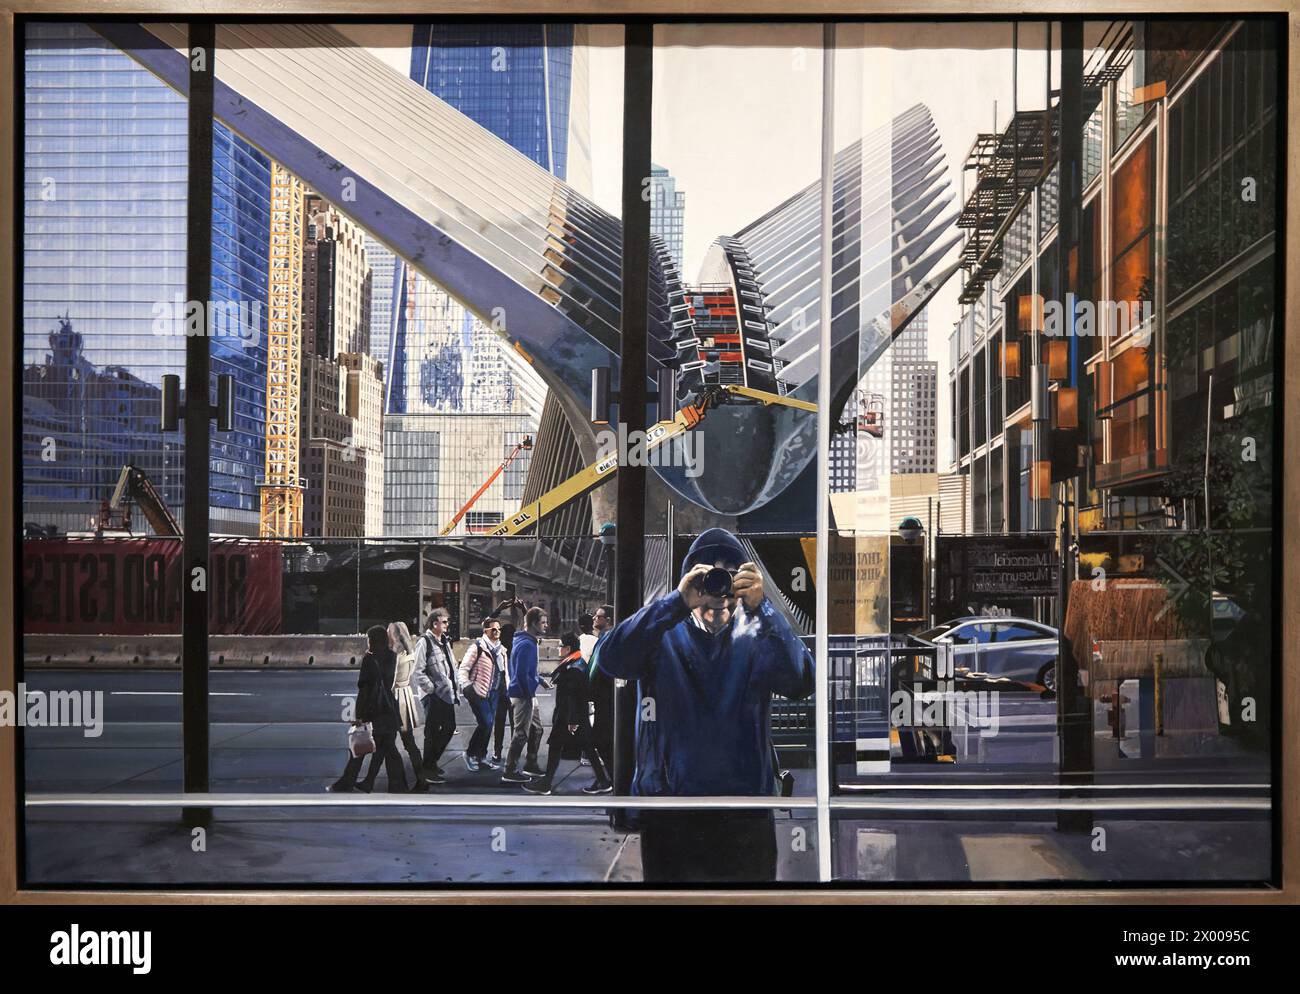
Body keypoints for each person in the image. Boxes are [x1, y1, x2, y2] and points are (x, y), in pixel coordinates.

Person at [597, 528, 814, 883]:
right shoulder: (662, 633)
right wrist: (676, 602)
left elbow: (801, 681)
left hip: (744, 812)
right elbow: (611, 660)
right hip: (673, 812)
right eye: (708, 576)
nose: (718, 589)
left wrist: (765, 610)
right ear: (689, 580)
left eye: (729, 576)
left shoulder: (758, 636)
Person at [523, 631, 612, 796]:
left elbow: (573, 696)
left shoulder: (573, 668)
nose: (558, 649)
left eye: (561, 646)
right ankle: (602, 780)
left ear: (568, 648)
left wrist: (572, 720)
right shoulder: (576, 663)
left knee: (559, 746)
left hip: (568, 717)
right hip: (574, 716)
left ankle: (547, 783)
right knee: (585, 746)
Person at [331, 625, 407, 793]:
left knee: (360, 749)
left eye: (369, 639)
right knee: (388, 750)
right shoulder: (393, 657)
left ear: (373, 641)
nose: (368, 642)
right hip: (389, 710)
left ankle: (348, 782)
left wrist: (359, 715)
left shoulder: (369, 659)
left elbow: (364, 690)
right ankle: (395, 785)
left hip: (374, 711)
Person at [502, 606, 548, 784]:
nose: (546, 626)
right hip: (523, 694)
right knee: (521, 733)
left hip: (525, 692)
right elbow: (522, 674)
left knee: (537, 729)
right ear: (533, 624)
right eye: (543, 623)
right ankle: (510, 770)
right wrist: (530, 693)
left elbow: (528, 671)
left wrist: (540, 680)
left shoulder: (526, 641)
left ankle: (531, 764)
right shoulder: (527, 644)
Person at [414, 608, 459, 785]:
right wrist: (431, 689)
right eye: (445, 622)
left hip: (445, 694)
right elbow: (417, 671)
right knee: (432, 732)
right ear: (435, 623)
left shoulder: (444, 641)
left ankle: (431, 763)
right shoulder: (424, 642)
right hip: (433, 695)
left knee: (449, 728)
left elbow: (450, 665)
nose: (447, 625)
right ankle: (428, 768)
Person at [457, 619, 507, 772]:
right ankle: (470, 753)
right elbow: (463, 669)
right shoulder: (478, 647)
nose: (497, 632)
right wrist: (467, 686)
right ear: (485, 631)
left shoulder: (501, 650)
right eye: (493, 629)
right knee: (486, 722)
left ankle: (482, 757)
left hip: (495, 692)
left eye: (499, 629)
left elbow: (504, 672)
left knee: (489, 724)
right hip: (479, 691)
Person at [388, 621, 430, 792]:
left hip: (395, 696)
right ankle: (421, 779)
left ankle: (398, 782)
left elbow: (390, 681)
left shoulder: (394, 655)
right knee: (410, 743)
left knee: (388, 742)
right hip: (406, 695)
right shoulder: (410, 653)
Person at [488, 597, 526, 764]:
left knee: (499, 723)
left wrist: (498, 609)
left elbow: (487, 625)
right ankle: (514, 754)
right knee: (515, 724)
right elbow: (528, 628)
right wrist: (524, 609)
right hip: (515, 692)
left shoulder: (497, 648)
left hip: (500, 690)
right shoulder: (518, 647)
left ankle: (497, 752)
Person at [587, 603, 616, 777]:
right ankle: (612, 777)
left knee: (601, 738)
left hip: (605, 697)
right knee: (600, 739)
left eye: (598, 616)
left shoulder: (607, 639)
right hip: (602, 697)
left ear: (608, 620)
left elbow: (598, 669)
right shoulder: (603, 638)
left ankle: (613, 778)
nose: (594, 619)